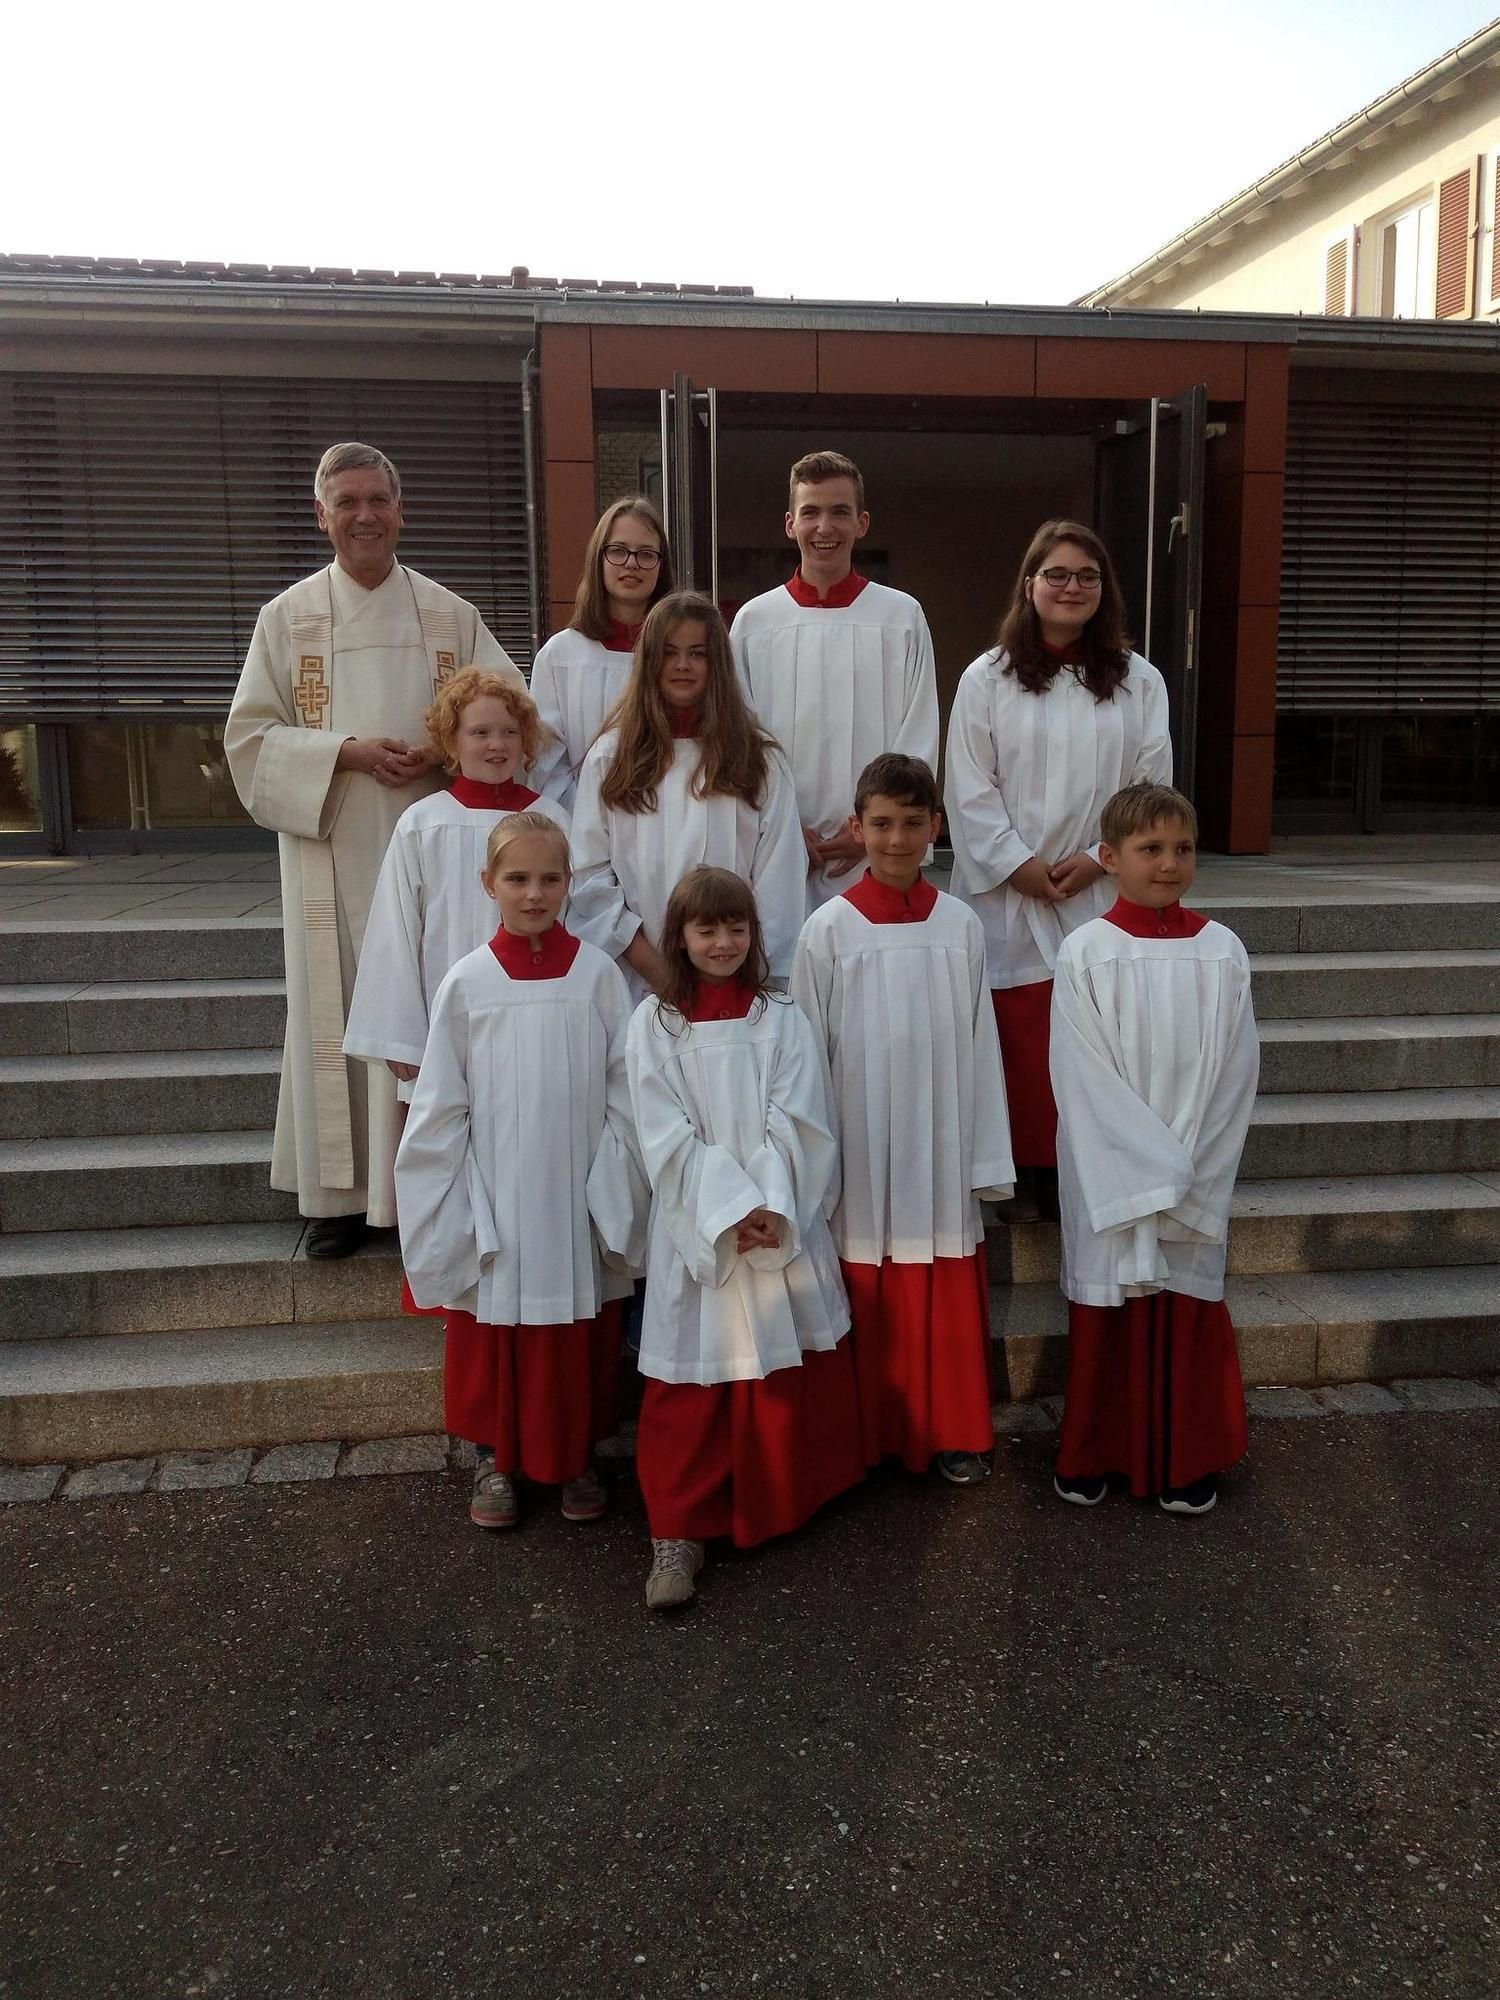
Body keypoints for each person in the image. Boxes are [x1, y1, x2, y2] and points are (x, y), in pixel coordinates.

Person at [225, 441, 526, 1260]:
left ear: (401, 509)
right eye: (347, 503)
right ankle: (340, 1198)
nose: (365, 516)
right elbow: (249, 740)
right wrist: (345, 752)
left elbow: (511, 709)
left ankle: (431, 1187)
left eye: (378, 501)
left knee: (428, 1004)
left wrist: (442, 750)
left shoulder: (448, 616)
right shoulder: (286, 619)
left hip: (439, 842)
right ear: (321, 515)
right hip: (336, 836)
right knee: (341, 1005)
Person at [394, 812, 645, 1531]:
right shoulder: (467, 983)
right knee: (496, 1327)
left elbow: (627, 1089)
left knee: (576, 1329)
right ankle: (495, 1457)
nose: (534, 894)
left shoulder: (598, 975)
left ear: (569, 883)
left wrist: (614, 1182)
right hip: (497, 1189)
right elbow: (440, 1104)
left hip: (576, 1187)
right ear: (488, 884)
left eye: (550, 878)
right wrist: (447, 1201)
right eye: (518, 878)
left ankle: (574, 1457)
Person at [627, 867, 864, 1610]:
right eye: (706, 929)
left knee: (777, 1362)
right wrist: (729, 1208)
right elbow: (661, 1134)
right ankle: (678, 1532)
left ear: (755, 935)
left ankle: (779, 1505)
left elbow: (801, 1116)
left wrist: (770, 1204)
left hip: (778, 1215)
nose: (723, 942)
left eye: (737, 928)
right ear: (681, 936)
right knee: (688, 1378)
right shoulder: (653, 1023)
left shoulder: (779, 1016)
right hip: (700, 1225)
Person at [791, 754, 1014, 1487]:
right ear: (856, 828)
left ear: (935, 828)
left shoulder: (961, 925)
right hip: (861, 1138)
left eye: (911, 824)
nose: (895, 840)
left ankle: (951, 1432)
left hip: (943, 1135)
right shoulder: (826, 930)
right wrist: (813, 1164)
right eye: (880, 824)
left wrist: (985, 1156)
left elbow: (982, 1044)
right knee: (867, 1275)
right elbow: (805, 1057)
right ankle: (870, 1437)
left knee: (943, 1277)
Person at [943, 519, 1171, 1201]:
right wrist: (1019, 865)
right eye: (1058, 574)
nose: (1072, 587)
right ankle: (1027, 1175)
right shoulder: (988, 678)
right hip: (1008, 892)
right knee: (1018, 1037)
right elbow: (968, 783)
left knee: (1100, 1038)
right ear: (1030, 584)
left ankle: (1093, 1168)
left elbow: (1150, 784)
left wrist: (1103, 859)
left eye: (1086, 576)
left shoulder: (1139, 682)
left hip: (1099, 886)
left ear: (1105, 590)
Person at [1049, 782, 1258, 1516]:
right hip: (1113, 1171)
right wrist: (1150, 1171)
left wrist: (1192, 1170)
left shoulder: (1223, 950)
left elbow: (1238, 1071)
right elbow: (1082, 1078)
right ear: (1108, 858)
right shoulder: (1085, 951)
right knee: (1111, 1309)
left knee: (1184, 1308)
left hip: (1198, 1165)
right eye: (1150, 849)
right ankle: (1093, 1450)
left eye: (1183, 849)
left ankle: (1185, 1456)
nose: (1168, 864)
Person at [569, 592, 806, 1001]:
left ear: (718, 664)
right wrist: (660, 974)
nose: (682, 665)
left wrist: (742, 979)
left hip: (738, 985)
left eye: (697, 653)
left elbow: (779, 882)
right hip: (641, 983)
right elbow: (590, 880)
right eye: (669, 653)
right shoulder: (612, 758)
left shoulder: (757, 760)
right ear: (648, 662)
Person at [730, 450, 939, 910]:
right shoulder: (754, 623)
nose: (825, 527)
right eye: (811, 513)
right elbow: (740, 738)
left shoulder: (901, 617)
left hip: (876, 852)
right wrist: (782, 828)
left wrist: (873, 827)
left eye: (840, 512)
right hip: (780, 851)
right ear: (790, 524)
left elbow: (917, 732)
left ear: (862, 522)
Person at [343, 669, 568, 1088]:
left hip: (537, 1009)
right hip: (442, 1016)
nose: (497, 745)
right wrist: (401, 1035)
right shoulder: (423, 823)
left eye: (510, 732)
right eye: (479, 732)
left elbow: (578, 916)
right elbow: (396, 927)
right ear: (451, 741)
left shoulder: (553, 820)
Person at [530, 497, 675, 811]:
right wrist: (593, 823)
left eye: (646, 554)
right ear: (599, 558)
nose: (632, 563)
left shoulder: (683, 655)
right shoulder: (561, 655)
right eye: (618, 551)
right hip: (584, 828)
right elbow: (548, 765)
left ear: (661, 566)